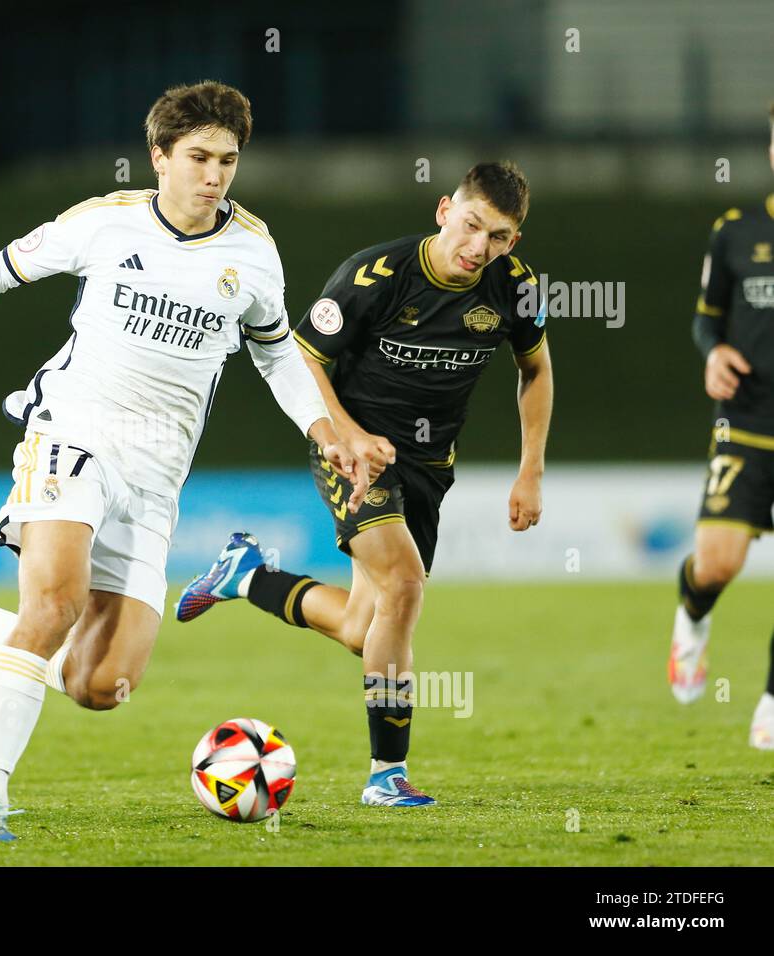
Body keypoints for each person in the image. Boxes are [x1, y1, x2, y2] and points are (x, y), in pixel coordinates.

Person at [0, 81, 370, 842]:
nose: (214, 175)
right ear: (159, 157)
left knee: (100, 685)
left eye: (228, 160)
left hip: (156, 481)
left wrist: (326, 429)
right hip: (73, 433)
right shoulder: (104, 223)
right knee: (53, 604)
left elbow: (278, 352)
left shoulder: (253, 250)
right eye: (198, 158)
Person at [177, 161, 554, 806]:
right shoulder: (373, 276)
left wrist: (530, 471)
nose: (477, 248)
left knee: (363, 628)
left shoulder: (516, 290)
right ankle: (387, 774)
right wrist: (347, 438)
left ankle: (248, 576)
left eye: (496, 237)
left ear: (511, 242)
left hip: (430, 467)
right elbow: (302, 358)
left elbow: (536, 371)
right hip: (354, 455)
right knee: (404, 586)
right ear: (443, 211)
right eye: (470, 226)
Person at [669, 104, 774, 750]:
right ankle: (691, 616)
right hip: (748, 419)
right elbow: (706, 318)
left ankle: (771, 698)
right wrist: (713, 353)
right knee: (717, 563)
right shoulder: (736, 231)